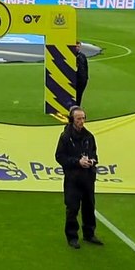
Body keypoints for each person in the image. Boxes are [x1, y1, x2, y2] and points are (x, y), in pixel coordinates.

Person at [54, 106, 102, 249]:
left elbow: (94, 155)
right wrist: (77, 162)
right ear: (72, 120)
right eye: (78, 118)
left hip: (88, 178)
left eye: (83, 118)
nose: (82, 121)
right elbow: (60, 156)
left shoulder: (89, 136)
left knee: (89, 207)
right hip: (73, 179)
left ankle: (89, 234)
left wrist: (92, 161)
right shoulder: (66, 137)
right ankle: (72, 236)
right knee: (72, 208)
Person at [73, 41, 89, 106]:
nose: (77, 48)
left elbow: (86, 67)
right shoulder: (70, 55)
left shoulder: (82, 56)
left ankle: (77, 107)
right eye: (76, 46)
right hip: (74, 78)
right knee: (73, 94)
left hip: (82, 79)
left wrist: (86, 77)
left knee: (79, 94)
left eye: (78, 46)